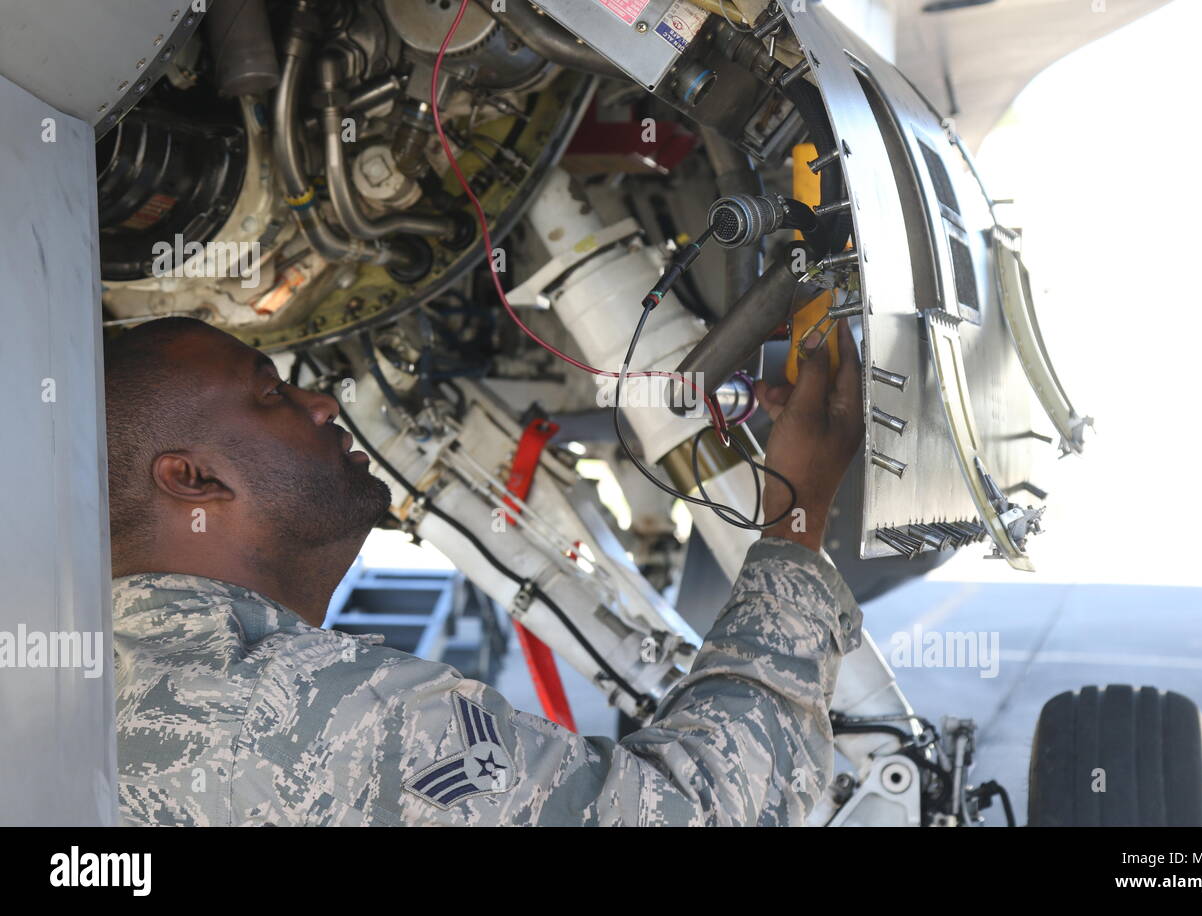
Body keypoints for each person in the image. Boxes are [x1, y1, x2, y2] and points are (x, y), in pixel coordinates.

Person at [108, 316, 865, 825]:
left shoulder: (84, 686)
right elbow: (707, 808)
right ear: (193, 480)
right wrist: (796, 521)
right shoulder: (325, 716)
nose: (322, 404)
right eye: (272, 394)